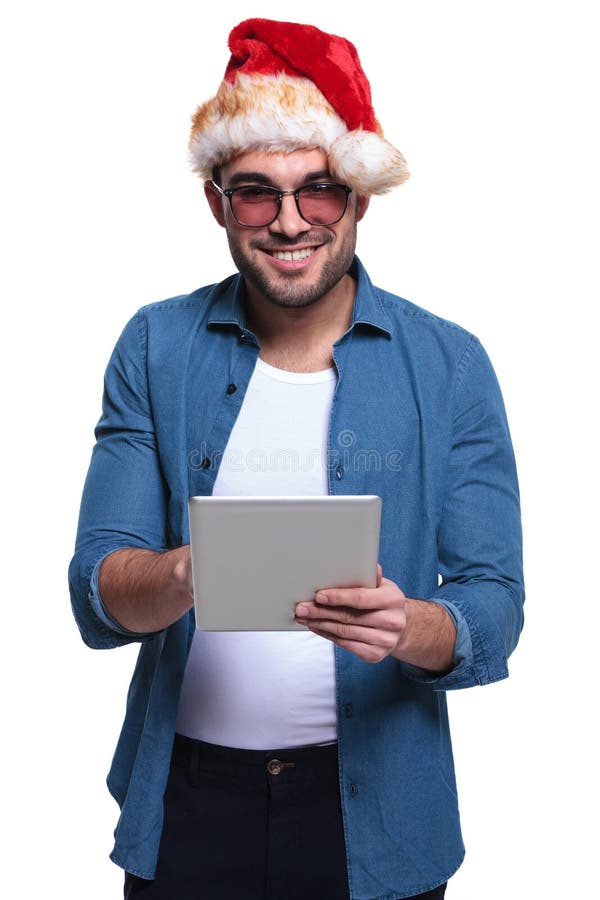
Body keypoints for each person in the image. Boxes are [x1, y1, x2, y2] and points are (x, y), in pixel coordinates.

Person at [69, 17, 524, 900]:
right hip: (190, 808)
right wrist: (187, 574)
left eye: (318, 192)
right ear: (215, 199)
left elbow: (495, 605)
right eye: (255, 193)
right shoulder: (156, 346)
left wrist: (412, 629)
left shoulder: (451, 363)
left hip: (380, 815)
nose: (288, 224)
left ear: (358, 199)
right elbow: (96, 586)